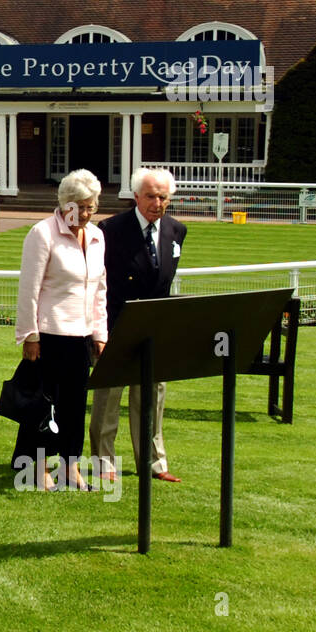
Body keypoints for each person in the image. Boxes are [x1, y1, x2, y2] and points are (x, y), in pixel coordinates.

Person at [90, 167, 187, 483]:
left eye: (163, 197)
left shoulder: (176, 231)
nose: (157, 203)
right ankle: (104, 463)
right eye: (150, 196)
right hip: (116, 326)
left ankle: (154, 463)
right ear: (135, 197)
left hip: (155, 329)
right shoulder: (110, 230)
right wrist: (98, 332)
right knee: (108, 401)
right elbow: (98, 283)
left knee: (152, 399)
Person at [15, 168, 108, 491]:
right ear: (63, 203)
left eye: (90, 206)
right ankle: (36, 467)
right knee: (44, 405)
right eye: (78, 206)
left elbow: (100, 290)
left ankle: (71, 465)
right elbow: (29, 288)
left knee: (74, 406)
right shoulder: (42, 234)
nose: (83, 213)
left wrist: (100, 334)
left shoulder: (97, 236)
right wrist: (29, 334)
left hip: (81, 337)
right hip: (49, 335)